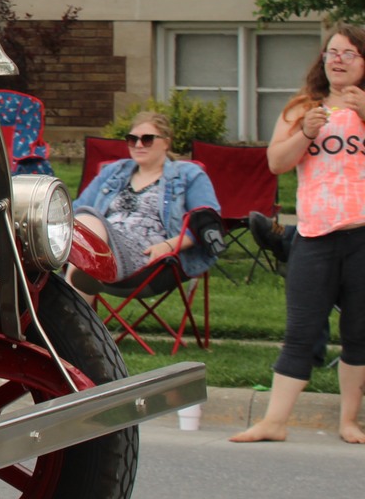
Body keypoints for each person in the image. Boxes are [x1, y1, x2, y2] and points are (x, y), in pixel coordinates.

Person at [230, 25, 365, 445]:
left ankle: (348, 420)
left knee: (359, 333)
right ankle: (274, 421)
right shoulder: (302, 108)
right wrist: (306, 131)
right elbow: (275, 162)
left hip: (361, 235)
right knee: (301, 330)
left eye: (349, 53)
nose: (338, 59)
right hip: (314, 235)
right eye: (332, 52)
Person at [72, 111, 223, 283]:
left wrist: (168, 246)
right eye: (132, 139)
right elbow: (77, 208)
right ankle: (77, 286)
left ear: (166, 142)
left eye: (147, 139)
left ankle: (77, 291)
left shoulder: (187, 175)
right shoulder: (114, 172)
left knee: (85, 224)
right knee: (81, 221)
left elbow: (208, 223)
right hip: (99, 245)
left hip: (149, 256)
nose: (138, 145)